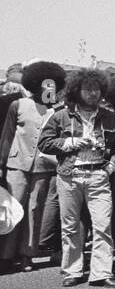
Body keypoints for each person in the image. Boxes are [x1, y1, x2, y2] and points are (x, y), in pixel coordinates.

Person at [37, 67, 115, 288]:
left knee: (102, 224)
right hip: (69, 175)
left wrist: (110, 168)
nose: (93, 93)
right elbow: (43, 143)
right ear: (76, 91)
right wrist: (68, 144)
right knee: (70, 226)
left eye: (97, 89)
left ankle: (101, 273)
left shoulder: (111, 117)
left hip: (98, 174)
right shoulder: (60, 116)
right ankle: (73, 270)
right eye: (88, 89)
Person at [0, 61, 65, 272]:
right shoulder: (18, 105)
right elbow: (7, 137)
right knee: (13, 207)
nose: (47, 88)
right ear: (34, 84)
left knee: (34, 209)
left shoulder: (56, 111)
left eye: (52, 84)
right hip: (16, 164)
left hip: (43, 166)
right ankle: (6, 255)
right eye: (44, 84)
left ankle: (27, 254)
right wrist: (1, 164)